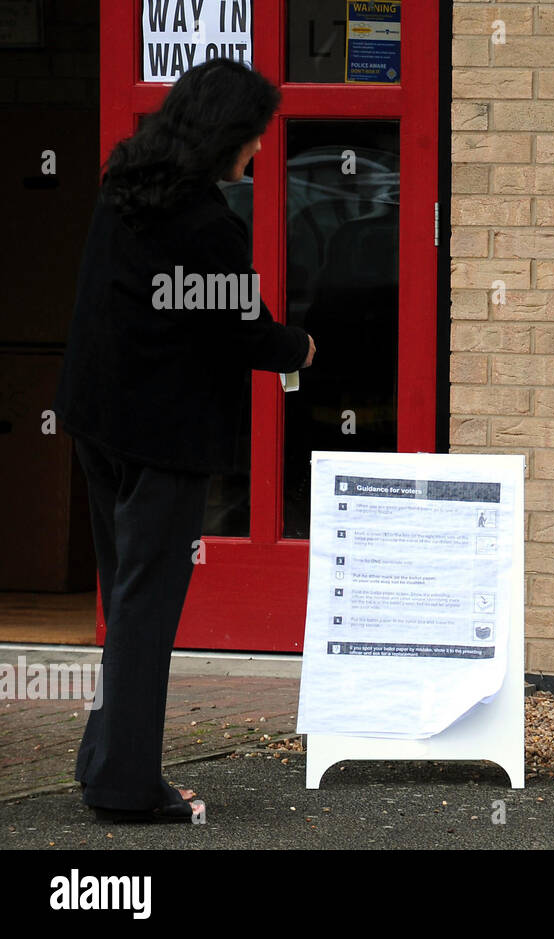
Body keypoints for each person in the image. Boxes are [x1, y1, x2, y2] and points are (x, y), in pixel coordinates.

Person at [52, 59, 314, 822]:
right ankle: (127, 787)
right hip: (161, 437)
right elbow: (243, 331)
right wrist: (298, 347)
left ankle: (104, 755)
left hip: (99, 421)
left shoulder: (126, 183)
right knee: (146, 607)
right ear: (225, 135)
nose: (259, 151)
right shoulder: (205, 223)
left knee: (125, 597)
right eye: (255, 137)